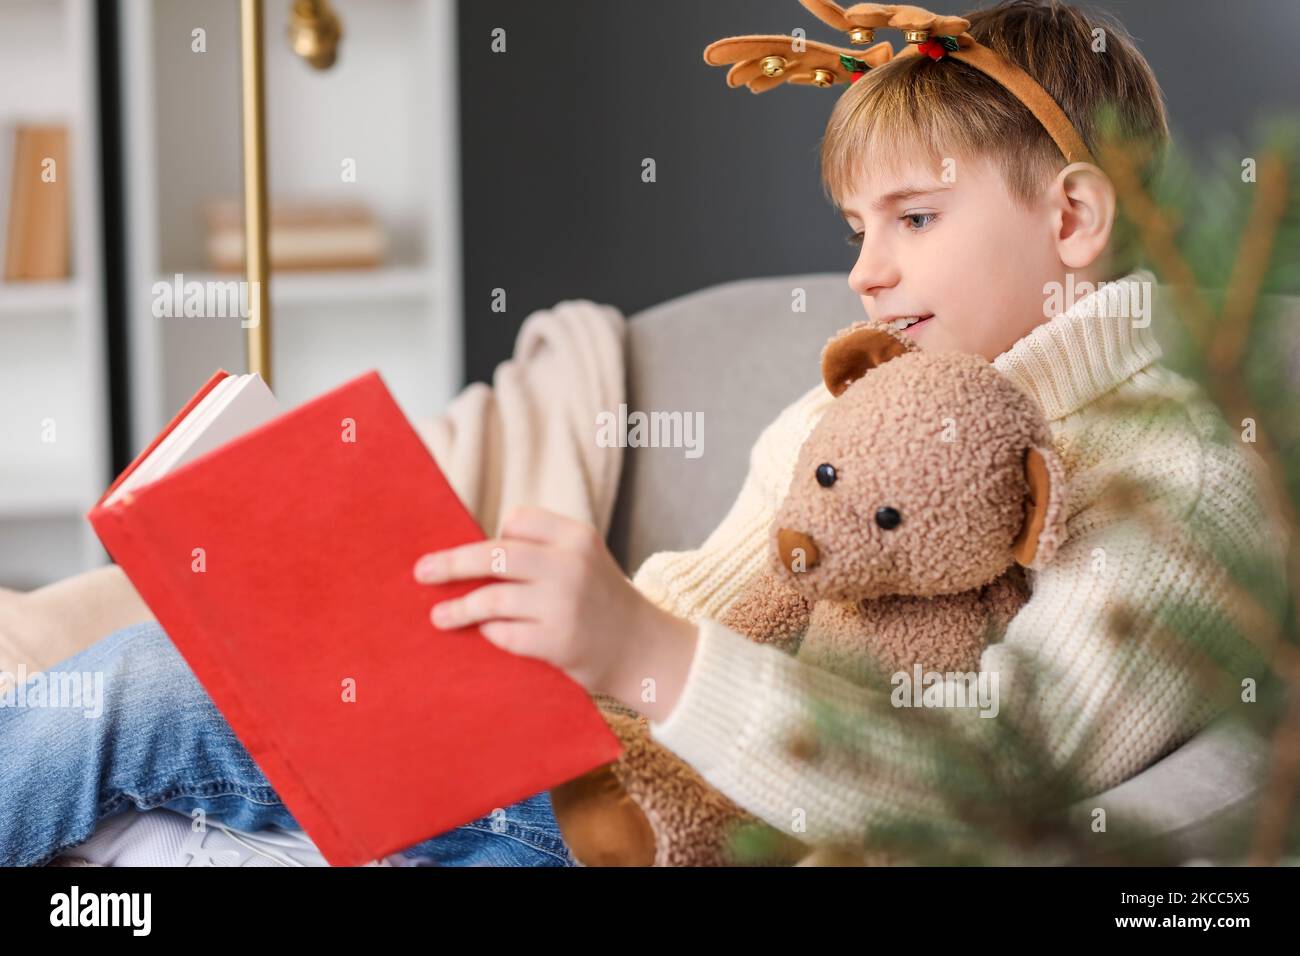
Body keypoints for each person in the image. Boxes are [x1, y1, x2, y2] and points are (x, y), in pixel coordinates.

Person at [0, 0, 1284, 866]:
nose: (866, 276)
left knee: (145, 700)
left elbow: (981, 792)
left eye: (914, 216)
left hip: (649, 840)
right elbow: (699, 598)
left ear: (1071, 219)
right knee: (160, 683)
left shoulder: (1177, 476)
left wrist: (641, 648)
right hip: (574, 768)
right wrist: (525, 633)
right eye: (856, 231)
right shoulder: (848, 405)